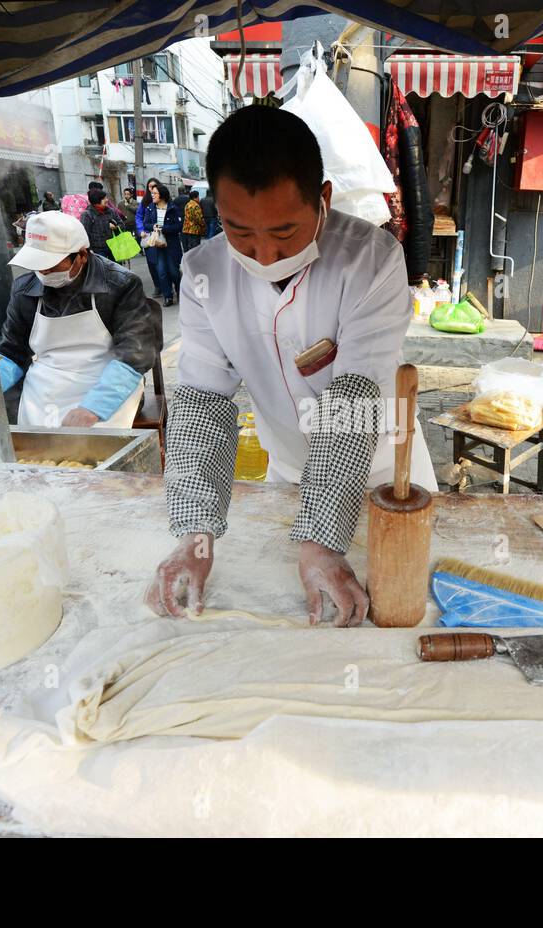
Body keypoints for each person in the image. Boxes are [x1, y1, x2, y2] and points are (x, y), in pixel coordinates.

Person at [144, 106, 437, 627]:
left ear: (322, 199)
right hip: (287, 470)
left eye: (284, 232)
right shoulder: (203, 272)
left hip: (382, 474)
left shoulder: (372, 260)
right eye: (240, 232)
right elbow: (202, 402)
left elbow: (354, 398)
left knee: (394, 620)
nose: (264, 253)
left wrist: (322, 537)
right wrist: (195, 535)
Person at [0, 211, 161, 428]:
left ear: (81, 255)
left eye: (52, 264)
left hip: (109, 381)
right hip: (46, 385)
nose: (43, 271)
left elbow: (135, 355)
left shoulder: (120, 284)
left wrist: (94, 408)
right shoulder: (24, 290)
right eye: (38, 264)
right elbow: (11, 352)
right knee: (37, 451)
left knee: (93, 448)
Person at [138, 183, 182, 306]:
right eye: (152, 193)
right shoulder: (150, 208)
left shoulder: (173, 208)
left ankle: (180, 291)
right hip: (156, 245)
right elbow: (146, 224)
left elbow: (178, 226)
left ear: (162, 195)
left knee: (173, 271)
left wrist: (164, 228)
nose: (152, 195)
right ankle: (168, 296)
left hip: (171, 245)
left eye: (155, 193)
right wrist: (153, 226)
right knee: (161, 272)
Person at [79, 189, 125, 262]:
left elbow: (122, 224)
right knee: (101, 271)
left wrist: (115, 227)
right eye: (104, 198)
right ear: (96, 200)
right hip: (97, 250)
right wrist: (89, 249)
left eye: (106, 198)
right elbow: (84, 234)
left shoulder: (111, 211)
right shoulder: (87, 214)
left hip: (113, 246)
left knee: (116, 270)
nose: (107, 200)